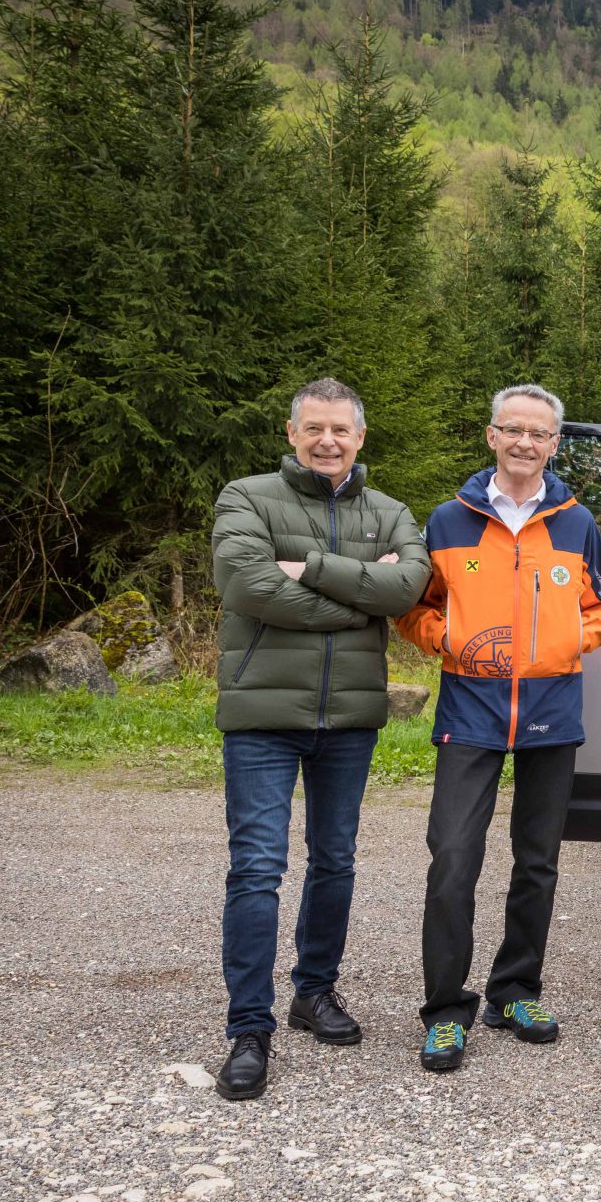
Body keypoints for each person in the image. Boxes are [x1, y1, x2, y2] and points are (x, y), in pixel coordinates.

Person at [208, 378, 432, 1101]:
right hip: (262, 719)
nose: (328, 441)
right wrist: (357, 600)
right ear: (292, 431)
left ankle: (314, 993)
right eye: (314, 428)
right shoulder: (245, 497)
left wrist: (313, 570)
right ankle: (249, 1028)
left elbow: (408, 592)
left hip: (348, 721)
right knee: (257, 870)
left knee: (334, 862)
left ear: (360, 436)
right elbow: (247, 587)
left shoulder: (390, 512)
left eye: (341, 429)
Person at [398, 384, 601, 1072]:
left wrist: (565, 641)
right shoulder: (448, 521)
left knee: (537, 863)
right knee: (453, 861)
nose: (526, 442)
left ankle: (515, 989)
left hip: (552, 715)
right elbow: (413, 610)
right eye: (513, 430)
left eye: (539, 433)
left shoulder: (576, 522)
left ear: (554, 444)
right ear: (491, 436)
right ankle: (444, 1010)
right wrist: (449, 640)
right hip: (470, 713)